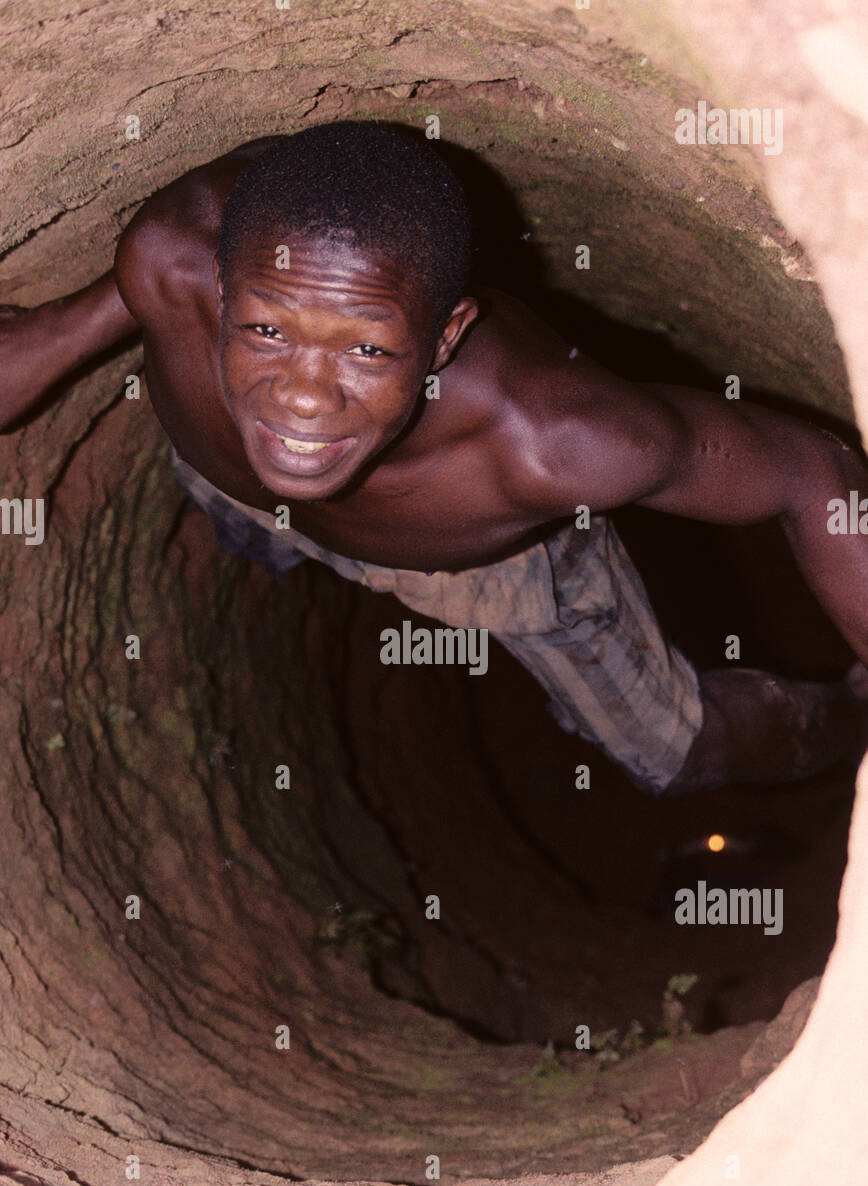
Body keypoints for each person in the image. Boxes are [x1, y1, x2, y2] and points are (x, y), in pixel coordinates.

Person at [2, 119, 867, 794]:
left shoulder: (556, 442)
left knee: (676, 755)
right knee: (252, 519)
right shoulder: (168, 261)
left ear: (446, 338)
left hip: (491, 567)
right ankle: (269, 544)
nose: (305, 395)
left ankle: (849, 717)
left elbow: (807, 473)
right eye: (266, 330)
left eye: (367, 352)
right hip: (232, 484)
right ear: (220, 289)